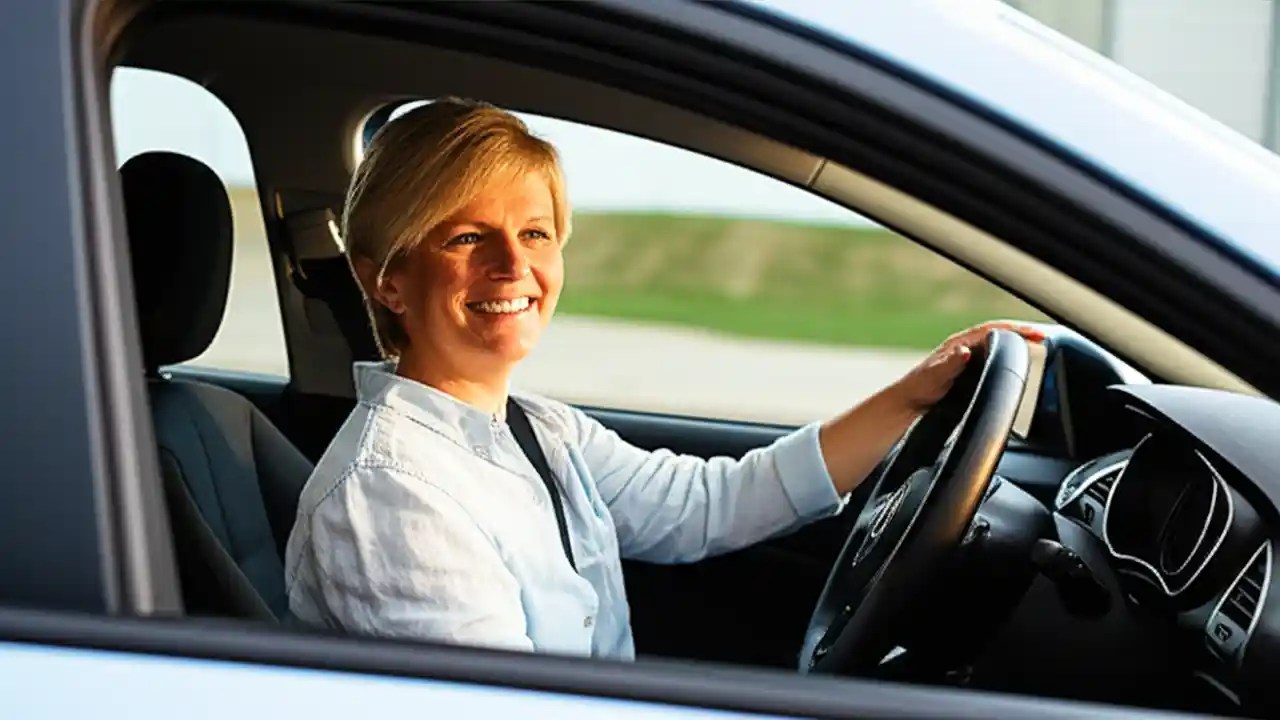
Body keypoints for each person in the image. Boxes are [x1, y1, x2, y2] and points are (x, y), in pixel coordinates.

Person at [282, 97, 1044, 658]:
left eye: (536, 233)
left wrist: (914, 394)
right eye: (468, 237)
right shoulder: (389, 493)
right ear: (386, 280)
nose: (514, 266)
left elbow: (711, 504)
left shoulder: (535, 428)